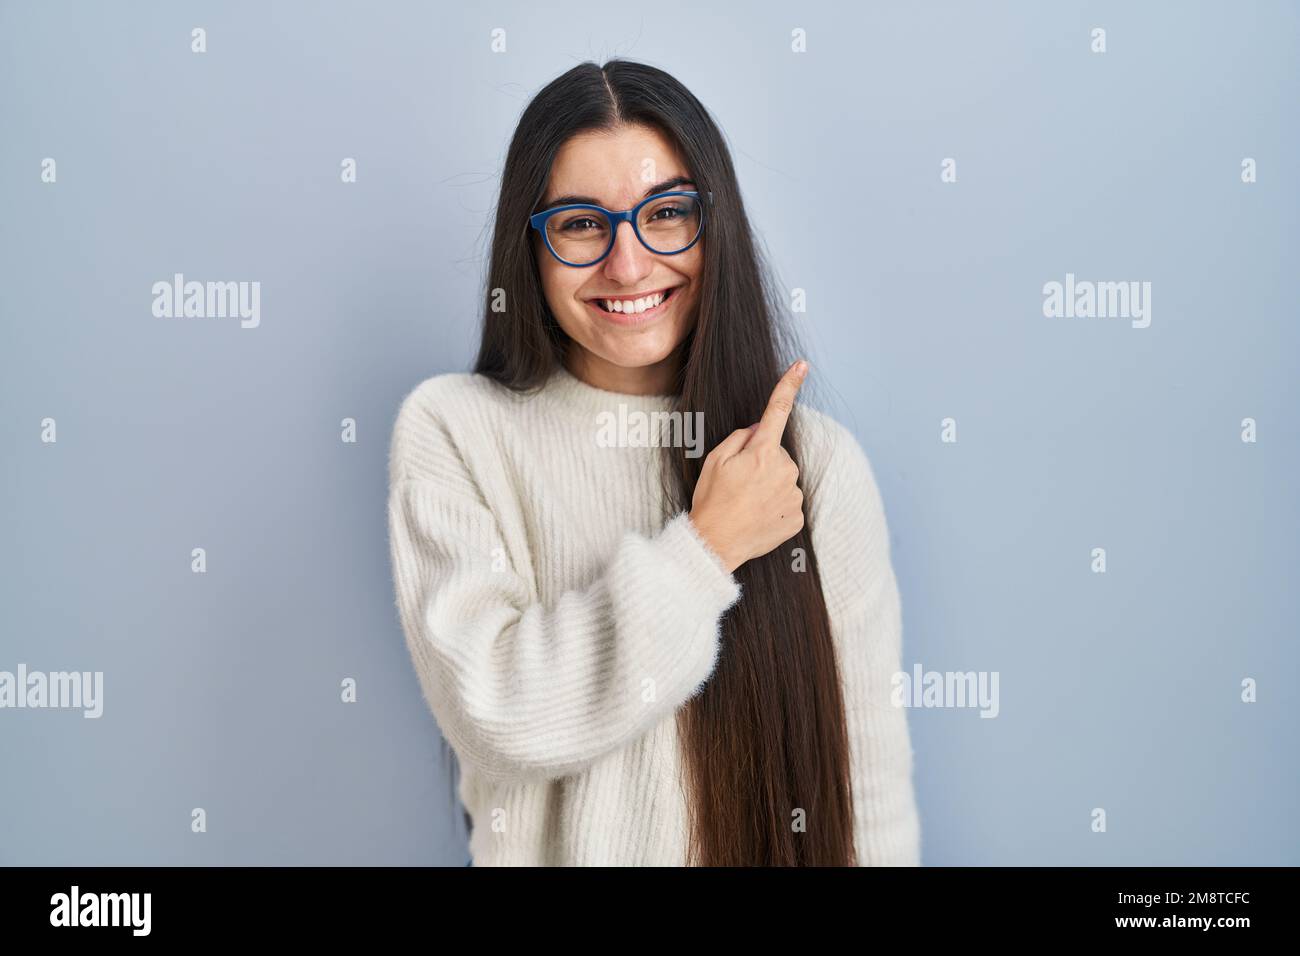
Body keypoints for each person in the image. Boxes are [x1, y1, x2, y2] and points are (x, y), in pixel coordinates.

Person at [387, 59, 921, 866]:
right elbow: (499, 713)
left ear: (718, 225)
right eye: (579, 223)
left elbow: (869, 794)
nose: (628, 265)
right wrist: (705, 551)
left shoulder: (811, 468)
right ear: (528, 248)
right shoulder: (456, 430)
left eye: (666, 213)